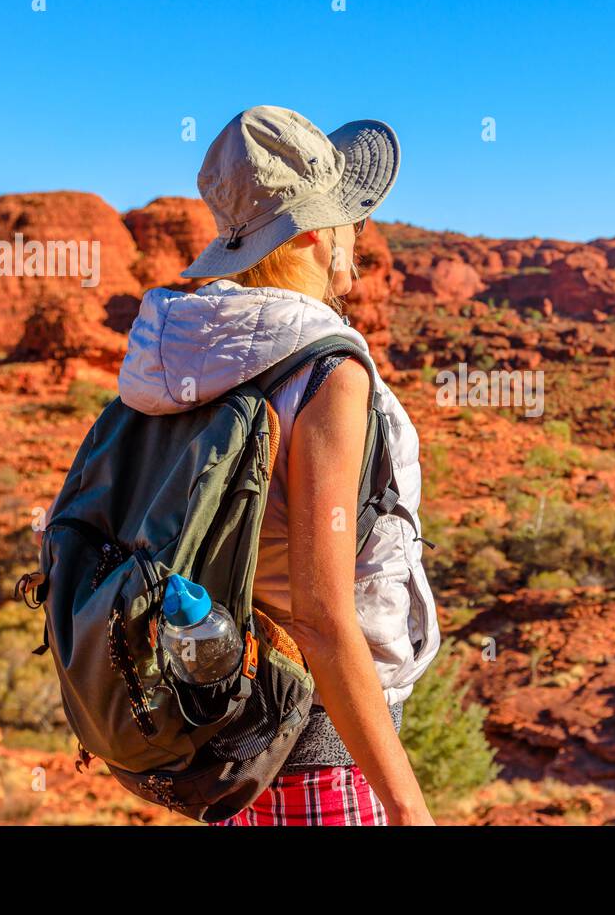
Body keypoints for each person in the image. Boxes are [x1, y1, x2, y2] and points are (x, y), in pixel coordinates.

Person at [117, 106, 440, 826]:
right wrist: (410, 809)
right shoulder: (326, 370)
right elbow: (324, 620)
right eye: (352, 217)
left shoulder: (183, 354)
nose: (359, 235)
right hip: (321, 753)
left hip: (233, 749)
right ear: (320, 233)